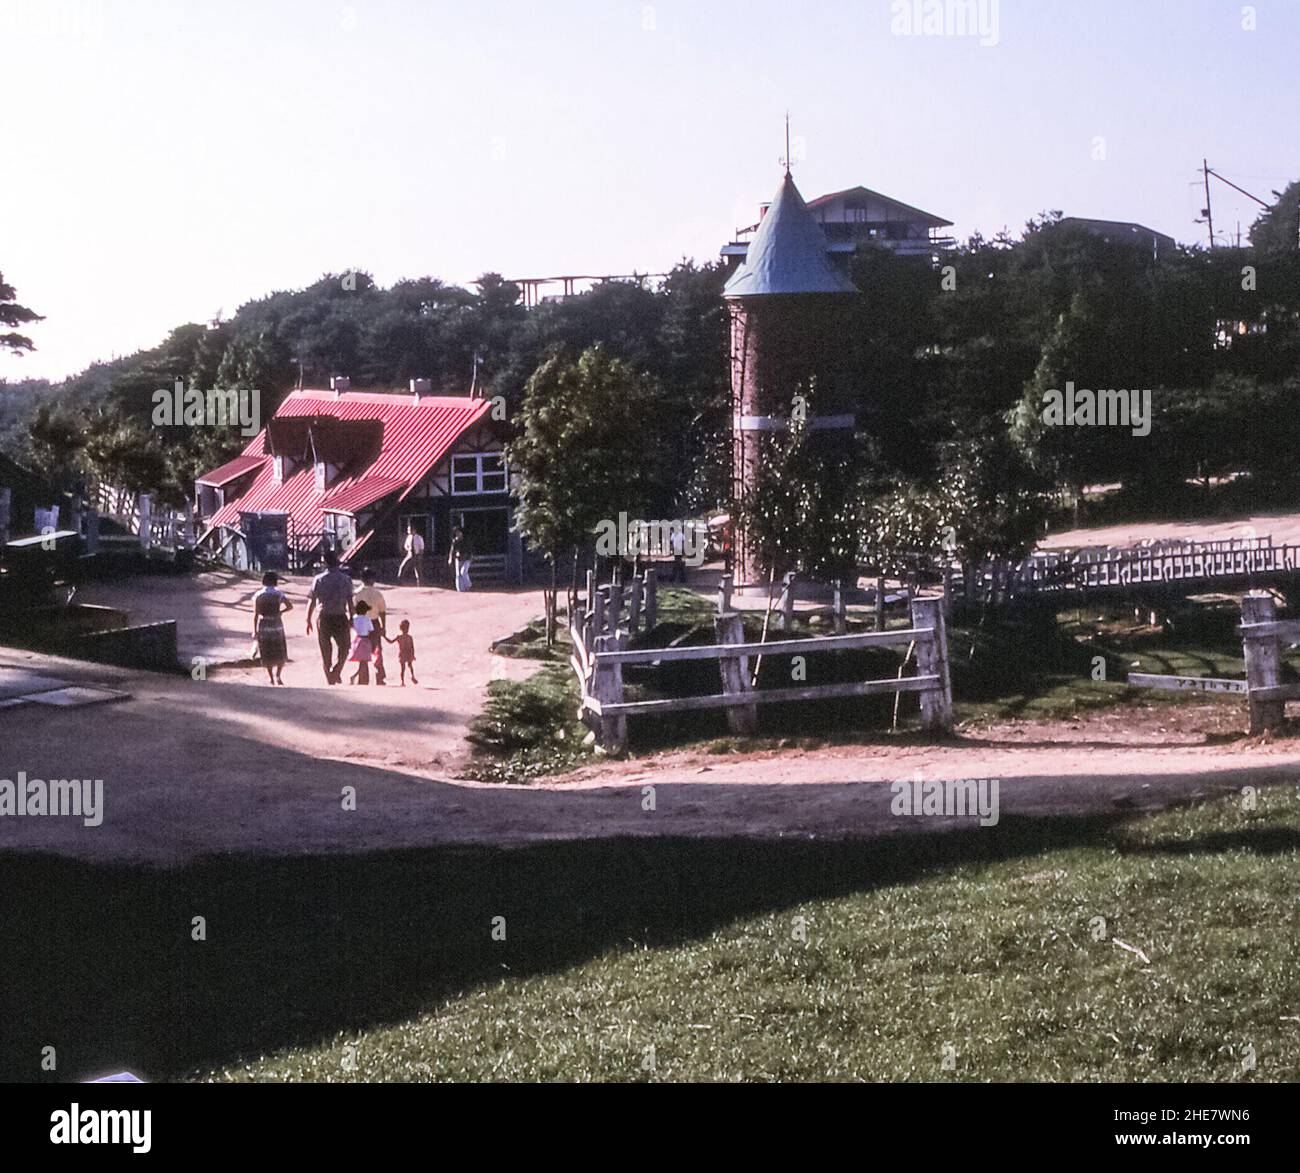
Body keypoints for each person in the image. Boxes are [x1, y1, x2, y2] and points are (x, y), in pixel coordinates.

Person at [305, 549, 353, 685]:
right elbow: (350, 601)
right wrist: (353, 618)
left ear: (324, 563)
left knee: (325, 650)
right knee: (345, 648)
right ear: (337, 562)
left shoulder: (318, 580)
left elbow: (312, 601)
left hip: (324, 617)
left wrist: (308, 619)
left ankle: (330, 678)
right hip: (340, 616)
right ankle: (336, 671)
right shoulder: (346, 579)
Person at [251, 571, 292, 685]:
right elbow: (290, 606)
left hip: (264, 623)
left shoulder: (258, 595)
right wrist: (280, 612)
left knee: (266, 650)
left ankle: (270, 677)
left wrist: (254, 630)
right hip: (276, 623)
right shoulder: (279, 594)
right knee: (280, 649)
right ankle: (278, 675)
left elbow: (255, 614)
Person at [355, 566, 388, 685]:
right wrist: (383, 627)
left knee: (363, 652)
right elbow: (382, 611)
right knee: (377, 650)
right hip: (374, 623)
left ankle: (363, 678)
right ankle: (380, 676)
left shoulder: (356, 594)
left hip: (362, 624)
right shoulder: (377, 594)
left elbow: (353, 611)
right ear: (371, 579)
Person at [348, 600, 376, 685]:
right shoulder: (367, 619)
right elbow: (371, 631)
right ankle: (357, 677)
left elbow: (350, 626)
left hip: (356, 640)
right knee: (364, 662)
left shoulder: (354, 618)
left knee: (362, 662)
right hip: (365, 640)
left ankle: (360, 679)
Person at [385, 618, 418, 686]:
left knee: (403, 668)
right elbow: (412, 647)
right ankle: (411, 677)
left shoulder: (399, 637)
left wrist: (384, 637)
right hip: (407, 653)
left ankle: (403, 681)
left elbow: (390, 642)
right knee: (409, 666)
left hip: (403, 653)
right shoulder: (409, 637)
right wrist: (413, 655)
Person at [449, 525, 473, 592]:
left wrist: (466, 555)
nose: (457, 534)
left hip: (466, 559)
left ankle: (468, 585)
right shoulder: (455, 541)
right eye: (456, 533)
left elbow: (469, 550)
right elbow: (452, 550)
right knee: (458, 574)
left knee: (463, 572)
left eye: (458, 532)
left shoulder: (466, 540)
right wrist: (450, 558)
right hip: (458, 559)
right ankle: (460, 589)